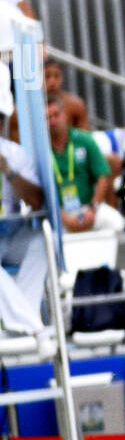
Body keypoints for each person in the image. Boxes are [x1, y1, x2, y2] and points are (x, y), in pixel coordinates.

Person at [0, 65, 49, 337]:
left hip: (10, 233)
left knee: (44, 240)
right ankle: (32, 327)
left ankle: (21, 325)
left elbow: (37, 199)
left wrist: (8, 171)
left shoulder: (14, 154)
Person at [46, 93, 122, 235]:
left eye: (56, 115)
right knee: (45, 234)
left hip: (88, 206)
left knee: (116, 222)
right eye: (47, 118)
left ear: (65, 115)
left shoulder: (83, 139)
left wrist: (93, 208)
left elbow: (103, 176)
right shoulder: (41, 149)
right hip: (58, 213)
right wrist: (62, 216)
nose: (53, 121)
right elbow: (39, 192)